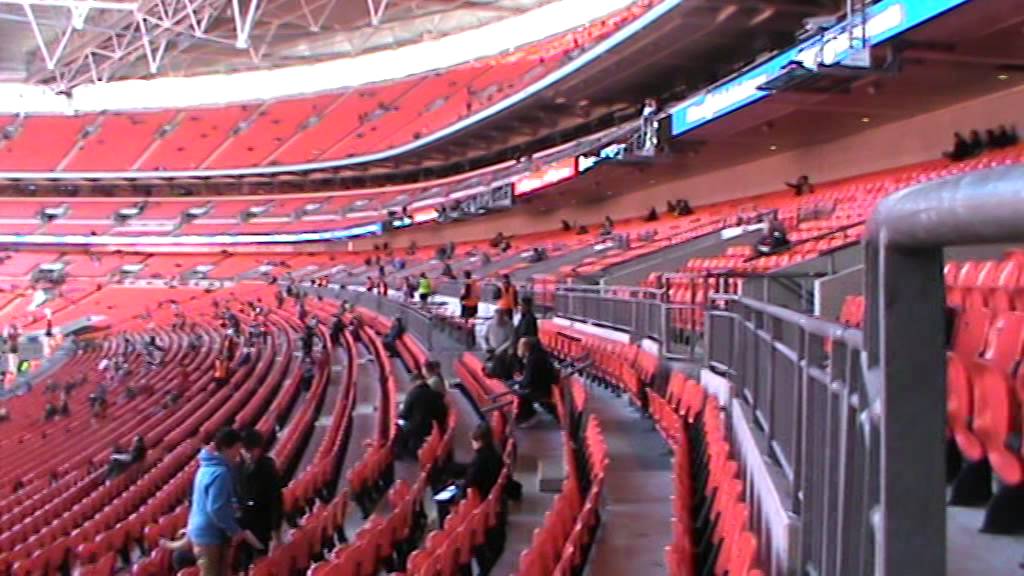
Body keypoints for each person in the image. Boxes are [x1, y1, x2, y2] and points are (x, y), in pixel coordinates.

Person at [187, 428, 263, 576]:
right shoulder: (221, 473)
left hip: (200, 530)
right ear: (225, 448)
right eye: (236, 449)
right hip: (209, 535)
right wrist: (235, 531)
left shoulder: (205, 468)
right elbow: (216, 509)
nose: (238, 455)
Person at [237, 429, 283, 565]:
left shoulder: (268, 467)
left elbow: (276, 501)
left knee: (260, 562)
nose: (250, 454)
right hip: (243, 524)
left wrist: (276, 533)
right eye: (246, 450)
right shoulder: (239, 467)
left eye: (253, 450)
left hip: (261, 525)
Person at [395, 372, 448, 460]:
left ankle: (402, 452)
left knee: (398, 423)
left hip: (418, 426)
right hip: (433, 424)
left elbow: (404, 414)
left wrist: (399, 415)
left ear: (415, 382)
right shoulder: (433, 393)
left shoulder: (414, 393)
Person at [511, 337, 559, 426]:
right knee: (515, 387)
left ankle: (526, 417)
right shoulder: (539, 355)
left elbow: (529, 381)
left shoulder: (533, 360)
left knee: (516, 390)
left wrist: (518, 382)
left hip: (540, 390)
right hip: (543, 386)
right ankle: (527, 415)